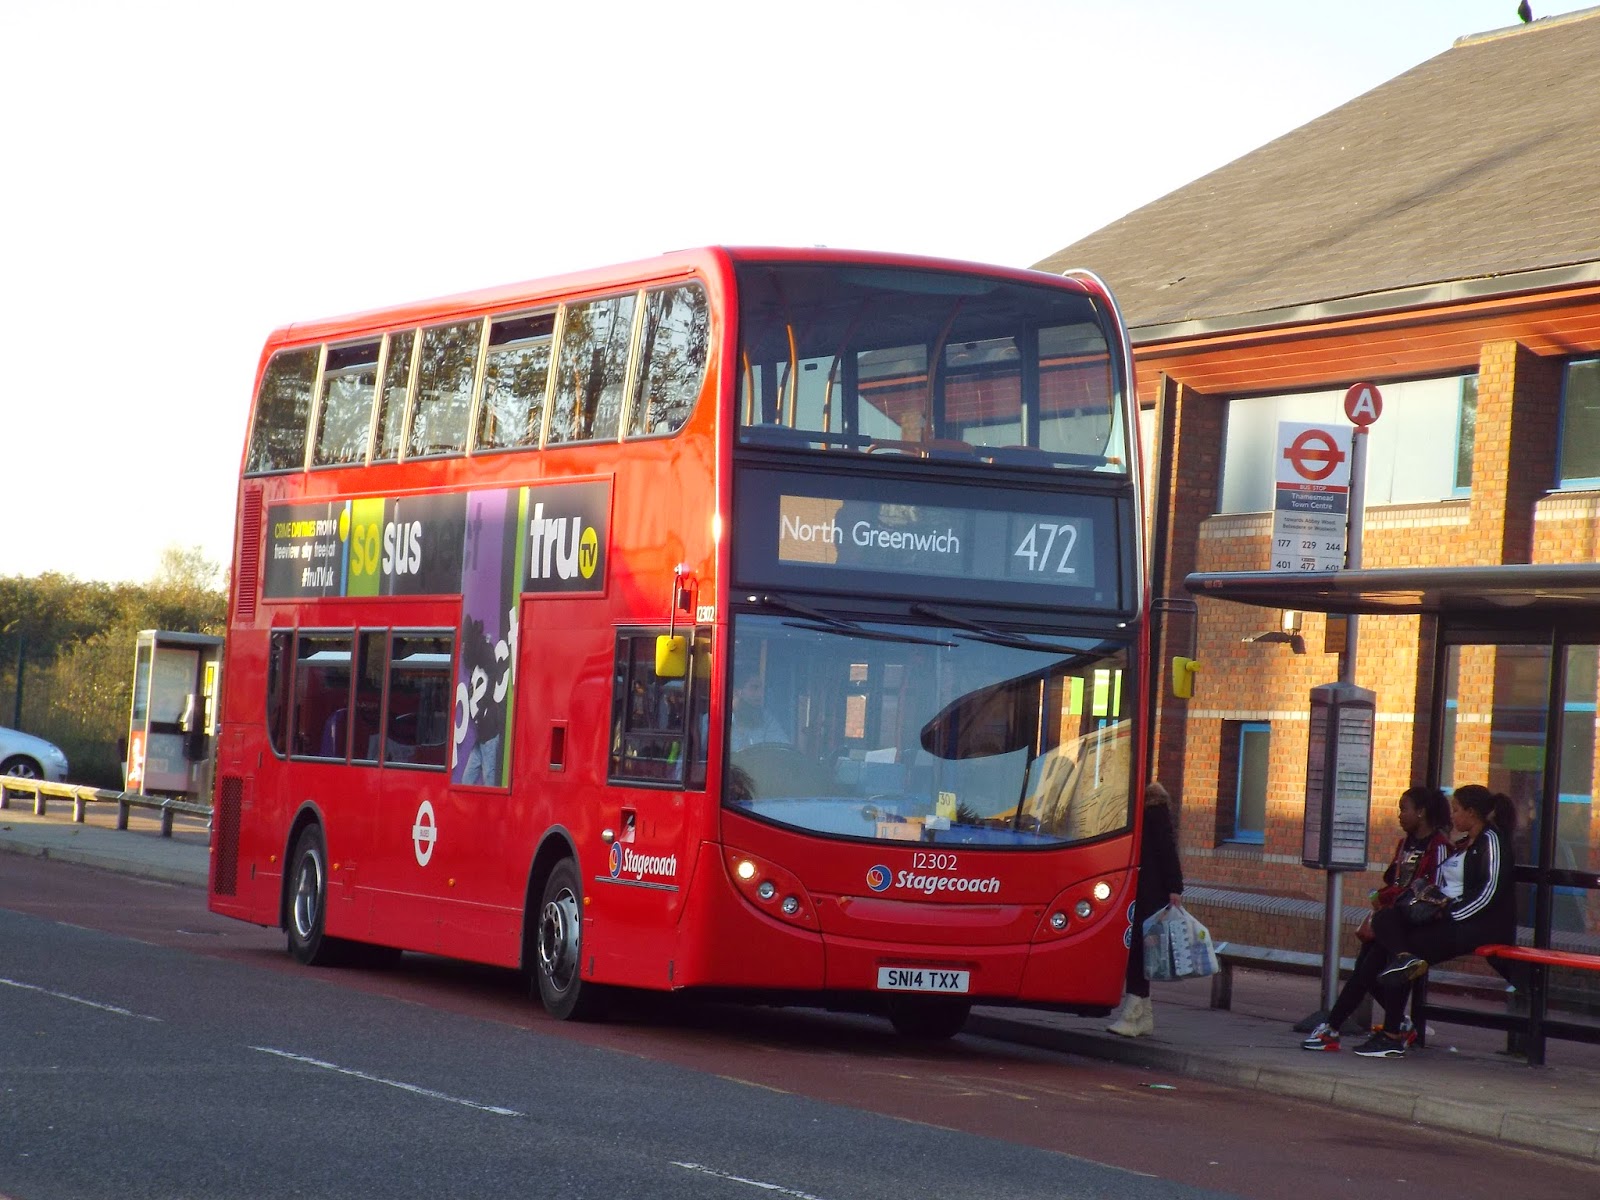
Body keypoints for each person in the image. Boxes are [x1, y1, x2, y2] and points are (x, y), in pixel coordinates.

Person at [1356, 784, 1518, 1059]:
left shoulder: (1492, 840)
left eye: (1456, 810)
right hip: (1454, 918)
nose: (1452, 816)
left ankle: (1393, 1034)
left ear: (1471, 812)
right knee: (1389, 923)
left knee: (1405, 949)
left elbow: (1489, 891)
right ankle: (1394, 1019)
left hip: (1478, 926)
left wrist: (1449, 912)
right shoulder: (1468, 842)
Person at [1299, 785, 1453, 1052]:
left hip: (1413, 925)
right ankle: (1395, 1025)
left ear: (1422, 812)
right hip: (1391, 921)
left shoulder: (1439, 846)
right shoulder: (1405, 844)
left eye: (1404, 809)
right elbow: (1394, 878)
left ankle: (1334, 1028)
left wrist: (1389, 897)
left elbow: (1432, 891)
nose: (1399, 815)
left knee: (1372, 969)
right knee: (1365, 970)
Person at [1108, 780, 1184, 1038]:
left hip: (1150, 893)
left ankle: (1132, 1014)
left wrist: (1175, 888)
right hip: (1140, 890)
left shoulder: (1153, 810)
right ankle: (1144, 1017)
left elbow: (1167, 850)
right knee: (1139, 951)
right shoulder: (1140, 809)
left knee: (1139, 951)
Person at [730, 667, 789, 751]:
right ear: (737, 692)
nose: (760, 694)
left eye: (762, 689)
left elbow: (783, 749)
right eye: (754, 688)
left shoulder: (766, 720)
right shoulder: (714, 719)